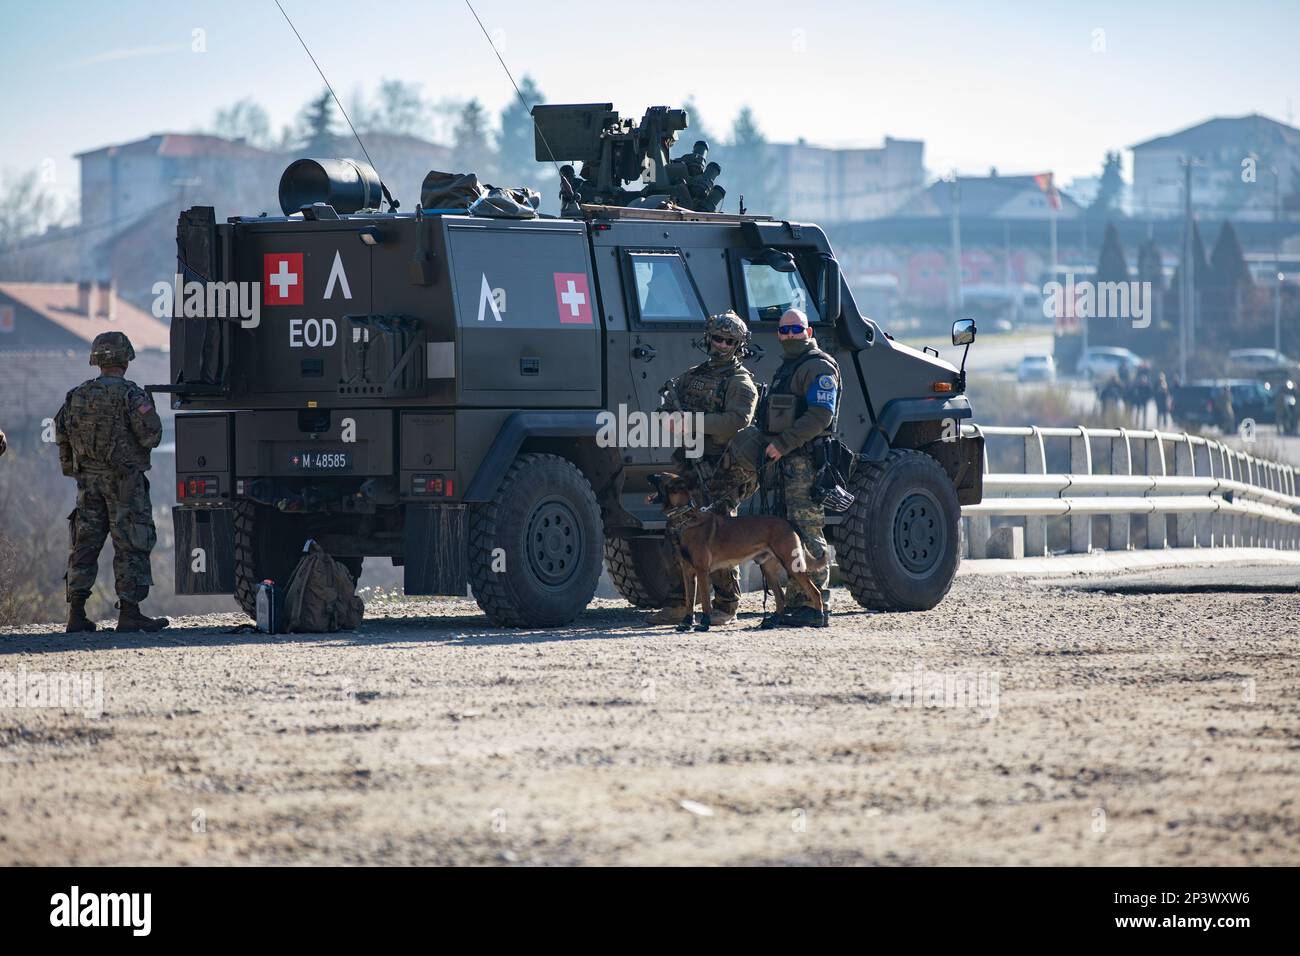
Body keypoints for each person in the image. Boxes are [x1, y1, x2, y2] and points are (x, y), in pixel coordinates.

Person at [708, 308, 841, 628]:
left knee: (806, 530)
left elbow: (821, 415)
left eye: (796, 330)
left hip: (805, 462)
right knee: (788, 534)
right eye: (785, 331)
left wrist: (783, 443)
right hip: (783, 464)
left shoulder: (818, 367)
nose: (790, 336)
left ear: (808, 332)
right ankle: (795, 604)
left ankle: (813, 604)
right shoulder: (790, 367)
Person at [647, 311, 759, 626]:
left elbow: (737, 421)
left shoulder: (740, 382)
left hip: (724, 467)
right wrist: (669, 418)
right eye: (717, 338)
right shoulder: (692, 376)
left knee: (720, 533)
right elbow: (667, 408)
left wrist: (692, 422)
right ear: (707, 338)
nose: (721, 345)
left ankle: (726, 604)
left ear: (738, 346)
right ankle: (680, 603)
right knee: (678, 529)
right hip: (690, 464)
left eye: (729, 341)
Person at [55, 331, 169, 633]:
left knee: (84, 546)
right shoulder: (133, 396)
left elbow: (61, 435)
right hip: (124, 485)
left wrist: (75, 471)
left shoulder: (77, 395)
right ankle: (130, 613)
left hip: (88, 484)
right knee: (131, 544)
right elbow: (151, 436)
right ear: (125, 359)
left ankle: (76, 615)